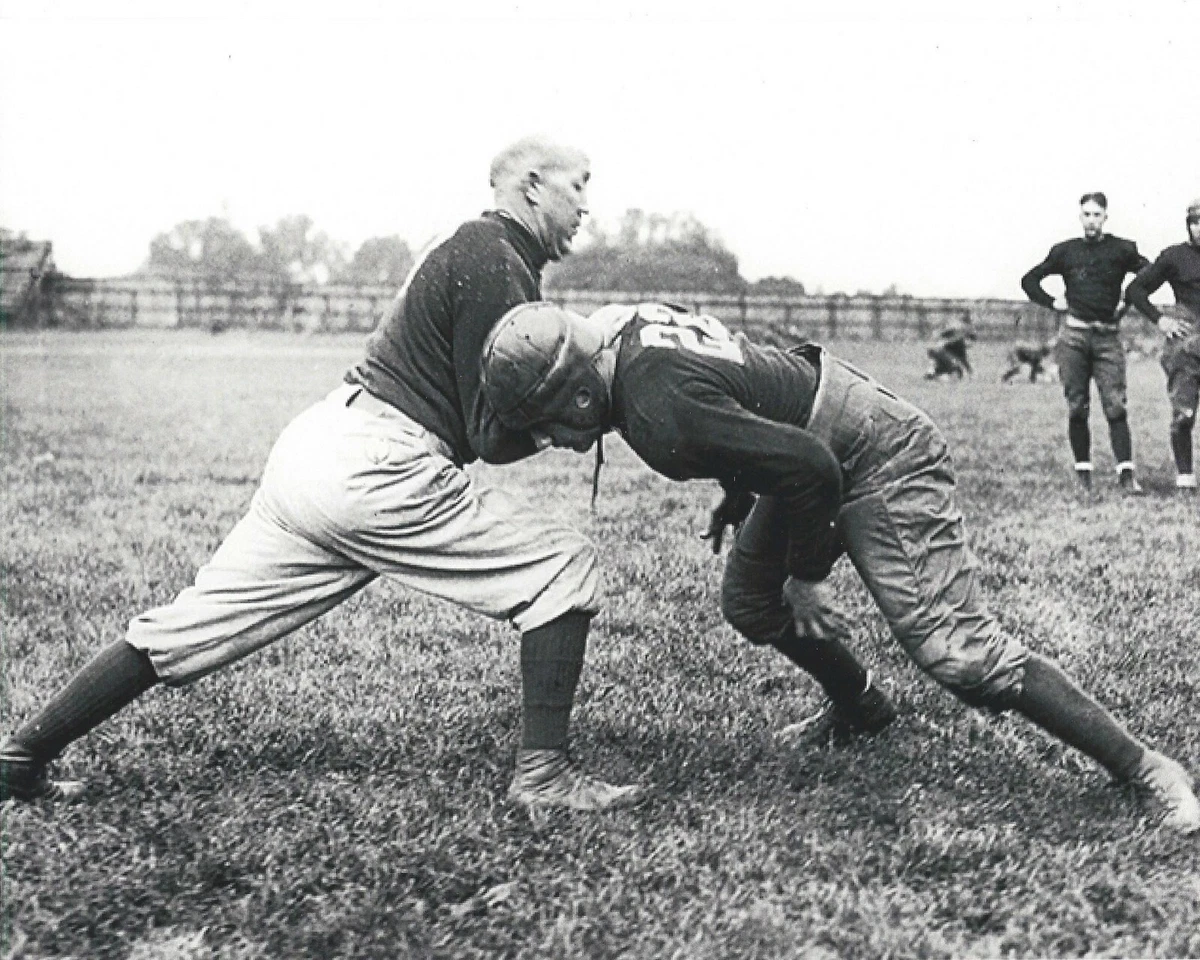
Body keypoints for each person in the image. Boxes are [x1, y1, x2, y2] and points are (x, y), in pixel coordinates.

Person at [0, 136, 643, 814]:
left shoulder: (481, 248)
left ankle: (19, 756)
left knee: (185, 628)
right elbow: (486, 433)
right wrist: (587, 416)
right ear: (534, 185)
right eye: (580, 185)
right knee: (562, 566)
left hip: (321, 448)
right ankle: (542, 775)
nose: (587, 206)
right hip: (379, 466)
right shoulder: (495, 256)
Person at [479, 299, 1200, 833]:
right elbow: (743, 386)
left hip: (876, 451)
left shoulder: (654, 410)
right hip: (820, 425)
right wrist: (740, 488)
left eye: (546, 420)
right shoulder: (620, 333)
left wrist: (808, 573)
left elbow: (812, 467)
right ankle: (863, 710)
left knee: (960, 655)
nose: (549, 439)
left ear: (578, 388)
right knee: (749, 600)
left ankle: (1144, 767)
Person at [1021, 192, 1150, 494]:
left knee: (1115, 405)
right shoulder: (1065, 251)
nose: (1091, 220)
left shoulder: (1122, 249)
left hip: (1107, 337)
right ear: (1080, 217)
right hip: (1074, 337)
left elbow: (1150, 273)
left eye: (1097, 214)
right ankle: (1083, 475)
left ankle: (1127, 475)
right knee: (1077, 406)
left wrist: (1127, 299)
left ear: (1106, 217)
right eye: (1086, 214)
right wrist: (1053, 303)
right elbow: (1029, 280)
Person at [1124, 198, 1200, 496]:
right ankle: (1185, 478)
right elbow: (1135, 289)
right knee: (1184, 413)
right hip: (1186, 341)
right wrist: (1161, 320)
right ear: (1188, 225)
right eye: (1195, 222)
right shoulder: (1174, 256)